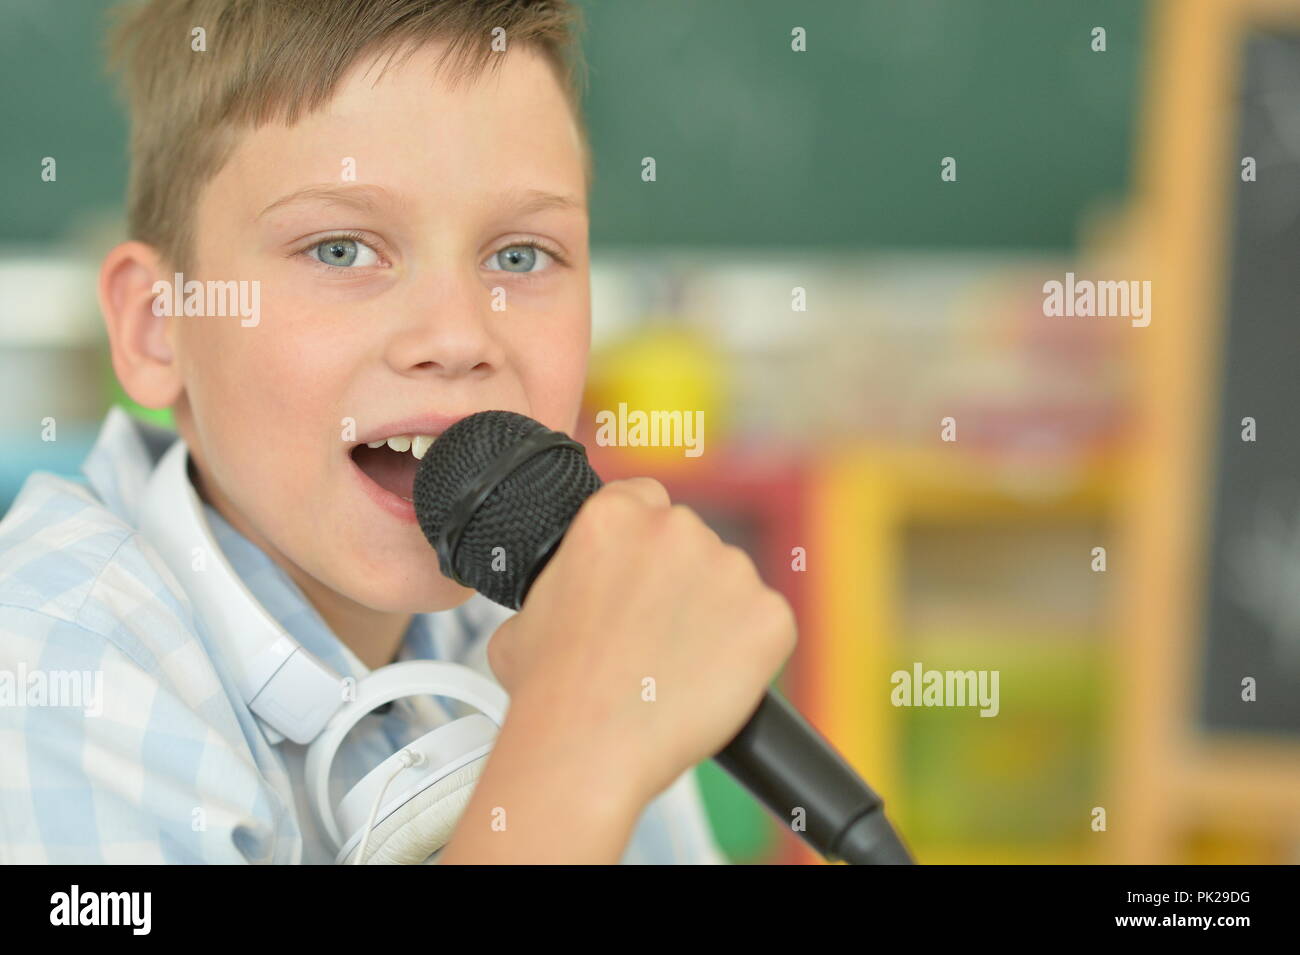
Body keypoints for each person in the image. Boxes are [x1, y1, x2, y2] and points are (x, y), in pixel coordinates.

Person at [0, 0, 796, 864]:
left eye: (520, 256)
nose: (458, 336)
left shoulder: (555, 627)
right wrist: (578, 753)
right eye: (341, 249)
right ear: (161, 325)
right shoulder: (52, 657)